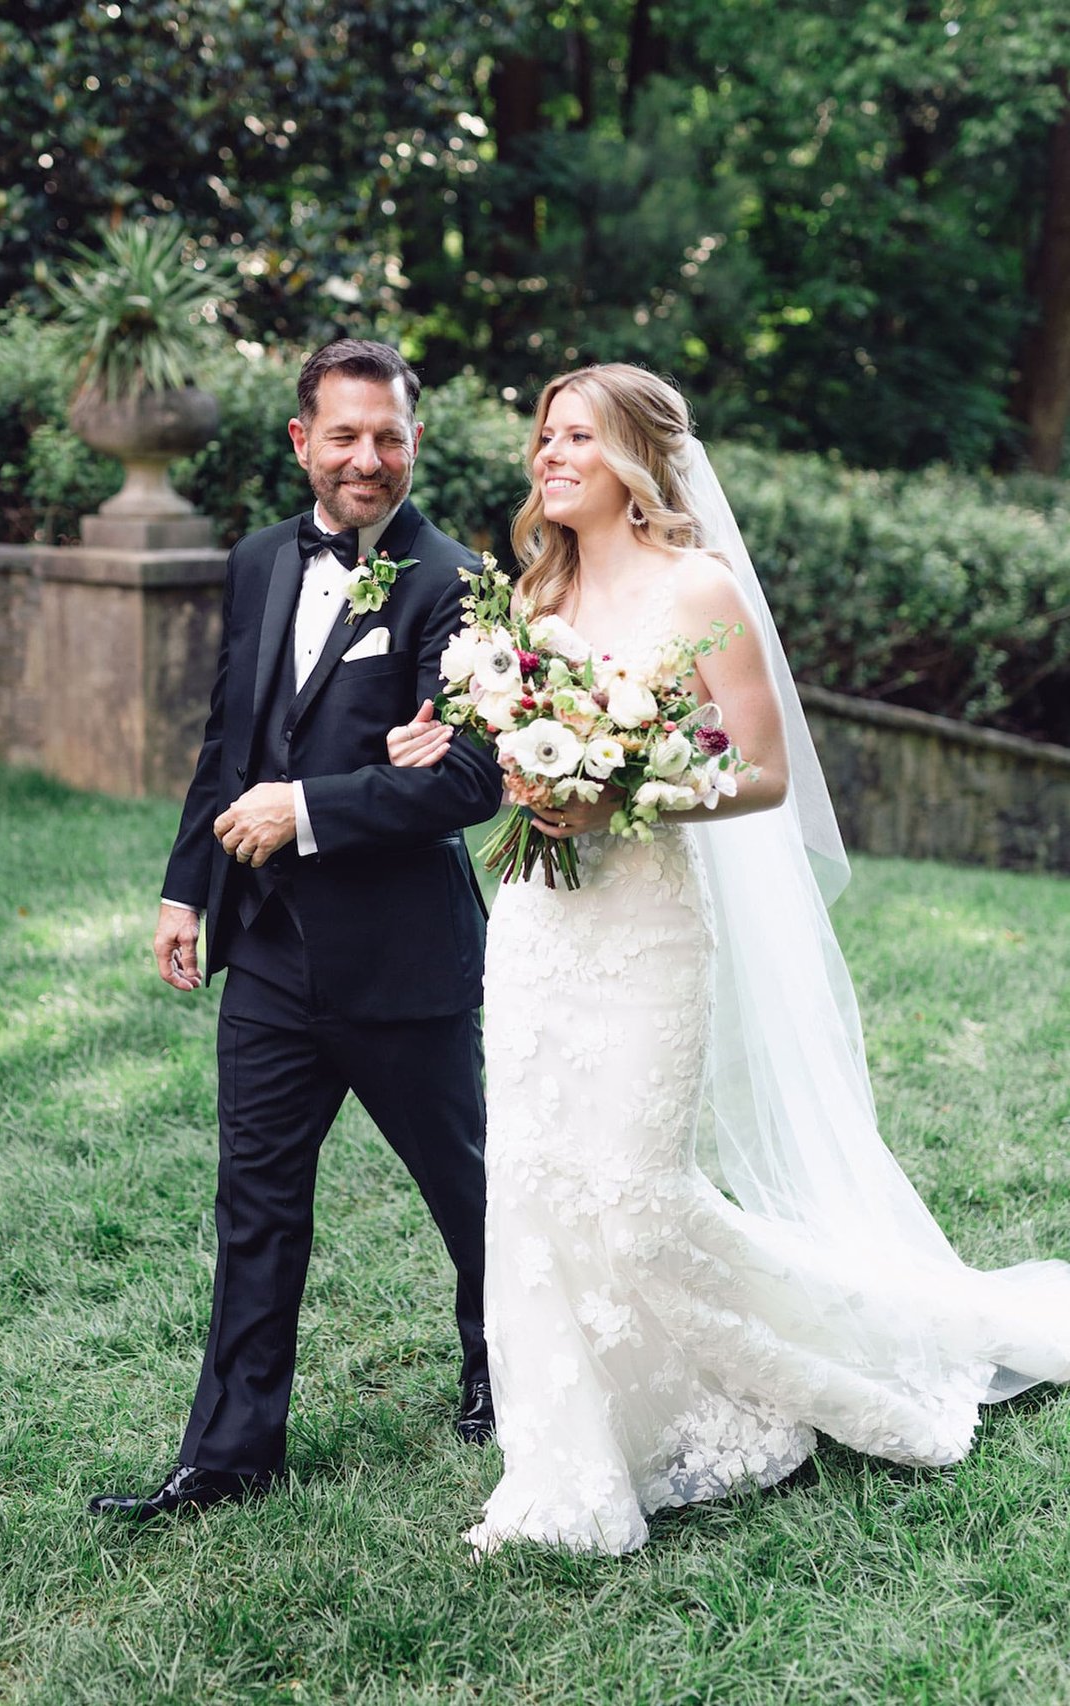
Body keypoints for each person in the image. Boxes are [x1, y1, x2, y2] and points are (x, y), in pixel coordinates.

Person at [386, 362, 1070, 1555]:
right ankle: (569, 1467)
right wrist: (455, 748)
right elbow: (499, 752)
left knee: (636, 1199)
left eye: (576, 438)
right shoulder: (532, 595)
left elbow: (760, 768)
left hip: (646, 920)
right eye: (542, 435)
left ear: (636, 459)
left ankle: (826, 1369)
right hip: (542, 927)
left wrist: (622, 787)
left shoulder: (696, 585)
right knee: (538, 1188)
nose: (547, 455)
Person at [89, 339, 502, 1522]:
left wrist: (307, 809)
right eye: (345, 435)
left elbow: (468, 779)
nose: (367, 458)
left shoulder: (458, 582)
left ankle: (499, 1361)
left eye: (388, 437)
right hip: (267, 947)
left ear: (413, 443)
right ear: (301, 442)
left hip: (404, 957)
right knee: (255, 1202)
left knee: (466, 1189)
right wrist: (188, 888)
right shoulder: (260, 560)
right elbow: (230, 742)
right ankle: (228, 1453)